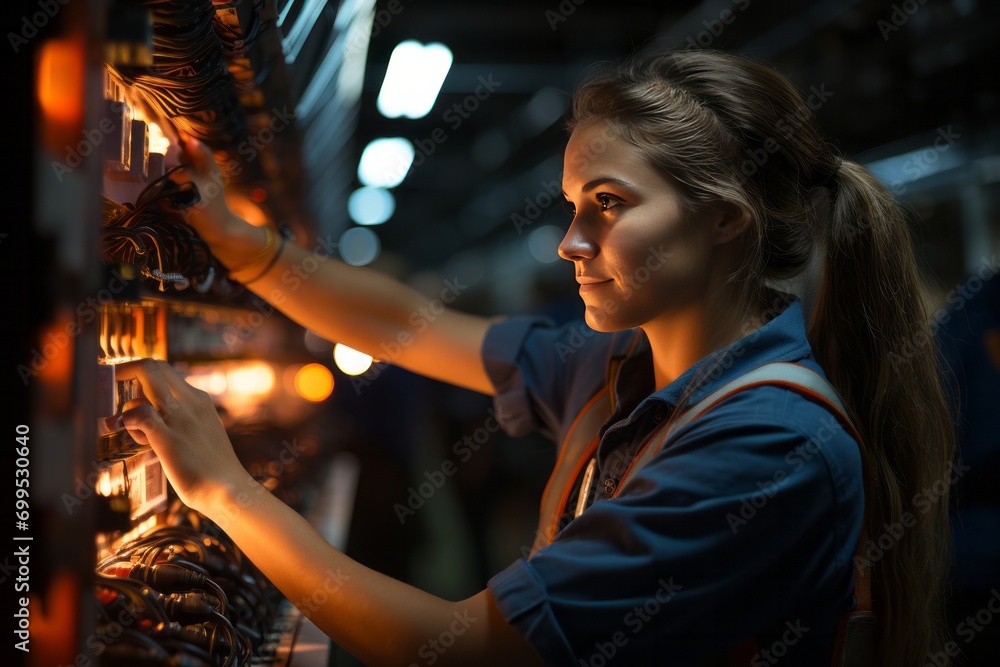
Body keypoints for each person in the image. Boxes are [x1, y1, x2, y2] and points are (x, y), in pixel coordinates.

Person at [114, 48, 957, 666]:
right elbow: (410, 321)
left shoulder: (769, 447)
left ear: (724, 218)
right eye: (572, 205)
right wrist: (241, 242)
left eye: (608, 205)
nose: (570, 243)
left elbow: (472, 647)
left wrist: (226, 491)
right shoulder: (619, 367)